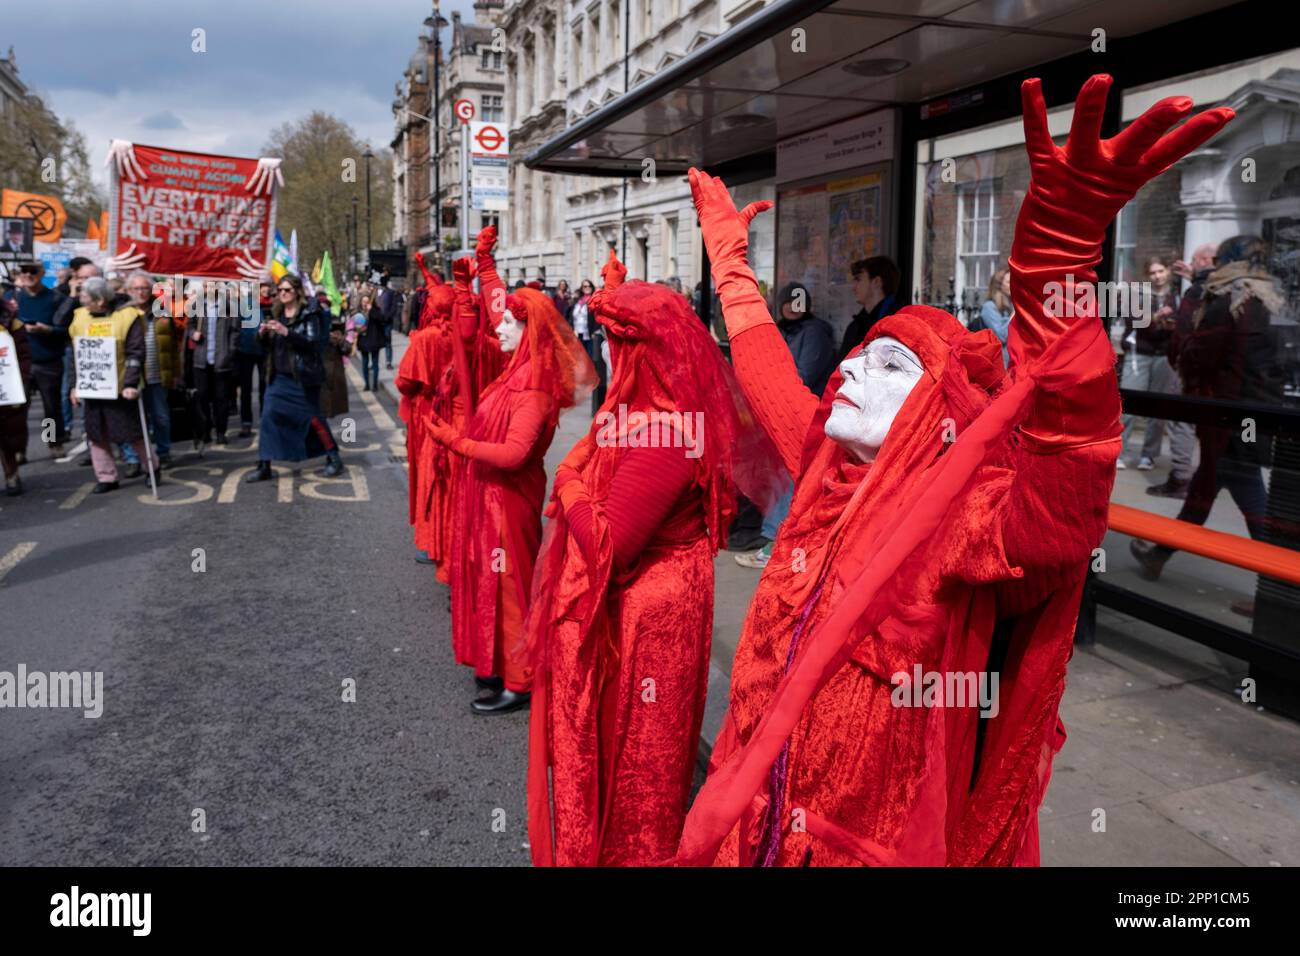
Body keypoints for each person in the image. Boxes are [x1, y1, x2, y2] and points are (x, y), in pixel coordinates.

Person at [672, 76, 1231, 867]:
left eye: (889, 365)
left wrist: (1060, 269)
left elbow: (1067, 479)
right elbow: (767, 372)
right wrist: (730, 262)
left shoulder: (959, 516)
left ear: (936, 409)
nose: (852, 373)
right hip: (754, 819)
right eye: (860, 358)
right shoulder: (829, 464)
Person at [523, 251, 777, 866]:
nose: (609, 353)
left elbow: (609, 543)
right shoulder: (647, 412)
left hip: (650, 612)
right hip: (648, 596)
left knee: (641, 760)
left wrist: (569, 483)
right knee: (634, 747)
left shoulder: (666, 431)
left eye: (615, 341)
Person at [427, 277, 594, 715]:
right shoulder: (514, 375)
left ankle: (520, 680)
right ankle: (500, 665)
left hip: (507, 501)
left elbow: (514, 454)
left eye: (506, 324)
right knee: (492, 583)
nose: (497, 328)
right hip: (489, 498)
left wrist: (454, 442)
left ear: (529, 333)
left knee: (511, 588)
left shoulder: (535, 390)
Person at [1130, 235, 1284, 615]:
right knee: (1205, 489)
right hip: (1253, 414)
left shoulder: (1229, 301)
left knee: (1249, 499)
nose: (1208, 266)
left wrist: (1177, 333)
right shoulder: (1271, 298)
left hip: (1229, 418)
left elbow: (1196, 357)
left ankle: (1278, 592)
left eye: (1216, 258)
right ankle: (1159, 556)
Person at [736, 281, 837, 570]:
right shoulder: (783, 330)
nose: (793, 306)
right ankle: (771, 535)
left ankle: (774, 539)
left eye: (799, 301)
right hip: (781, 409)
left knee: (793, 474)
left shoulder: (814, 331)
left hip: (805, 410)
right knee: (781, 473)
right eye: (788, 301)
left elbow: (803, 372)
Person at [246, 274, 344, 482]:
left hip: (302, 377)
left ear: (297, 291)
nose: (282, 293)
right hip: (279, 377)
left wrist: (286, 333)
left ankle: (334, 458)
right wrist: (262, 334)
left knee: (315, 419)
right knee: (268, 418)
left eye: (287, 290)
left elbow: (312, 343)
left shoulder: (310, 312)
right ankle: (264, 465)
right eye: (279, 290)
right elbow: (267, 345)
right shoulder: (276, 312)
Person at [68, 277, 160, 493]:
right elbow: (75, 355)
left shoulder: (128, 316)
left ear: (100, 301)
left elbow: (136, 353)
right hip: (93, 387)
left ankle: (152, 468)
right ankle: (106, 476)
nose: (81, 300)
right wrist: (74, 385)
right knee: (96, 434)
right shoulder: (79, 317)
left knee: (134, 433)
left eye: (85, 297)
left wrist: (130, 383)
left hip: (121, 387)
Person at [395, 258, 458, 568]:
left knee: (427, 477)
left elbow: (405, 382)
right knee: (449, 480)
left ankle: (430, 540)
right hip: (455, 417)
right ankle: (448, 537)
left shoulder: (425, 339)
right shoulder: (462, 337)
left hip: (426, 415)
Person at [1117, 256, 1186, 471]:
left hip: (1164, 355)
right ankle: (1119, 452)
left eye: (1161, 271)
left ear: (1168, 272)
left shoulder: (1176, 297)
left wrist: (1172, 324)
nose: (1157, 276)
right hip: (1139, 353)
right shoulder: (1138, 294)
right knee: (1127, 406)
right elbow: (1133, 321)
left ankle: (1149, 454)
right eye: (1153, 272)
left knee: (1157, 408)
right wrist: (1156, 317)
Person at [117, 271, 178, 472]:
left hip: (156, 373)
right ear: (128, 290)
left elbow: (173, 346)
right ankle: (133, 459)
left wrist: (175, 372)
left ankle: (163, 452)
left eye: (144, 288)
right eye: (136, 288)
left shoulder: (161, 311)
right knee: (129, 420)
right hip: (130, 376)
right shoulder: (120, 314)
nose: (141, 292)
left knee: (160, 417)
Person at [14, 262, 69, 458]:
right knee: (18, 409)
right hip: (20, 364)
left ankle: (53, 442)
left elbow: (67, 331)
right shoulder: (13, 298)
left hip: (48, 361)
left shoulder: (55, 298)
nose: (28, 274)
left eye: (33, 271)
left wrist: (49, 330)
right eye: (24, 271)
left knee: (51, 407)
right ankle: (19, 449)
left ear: (42, 273)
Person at [186, 280, 239, 450]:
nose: (210, 289)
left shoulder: (230, 307)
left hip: (221, 359)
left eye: (213, 285)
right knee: (202, 398)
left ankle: (221, 432)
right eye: (207, 285)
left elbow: (235, 332)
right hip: (201, 360)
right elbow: (190, 326)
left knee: (221, 399)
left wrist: (229, 353)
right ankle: (206, 430)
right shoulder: (197, 306)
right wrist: (193, 333)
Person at [836, 255, 900, 362]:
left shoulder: (898, 322)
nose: (853, 287)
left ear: (876, 282)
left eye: (858, 279)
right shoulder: (856, 324)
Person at [234, 279, 271, 438]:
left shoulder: (271, 304)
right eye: (262, 287)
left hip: (264, 352)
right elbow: (236, 325)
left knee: (265, 388)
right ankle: (246, 423)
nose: (265, 290)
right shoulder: (245, 303)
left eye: (266, 287)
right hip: (245, 351)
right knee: (246, 390)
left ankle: (265, 420)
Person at [1, 303, 32, 495]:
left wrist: (18, 381)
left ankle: (54, 440)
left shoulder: (11, 322)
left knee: (51, 410)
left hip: (50, 365)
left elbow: (23, 355)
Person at [972, 267, 1013, 368]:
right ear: (999, 286)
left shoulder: (1009, 307)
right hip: (999, 365)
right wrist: (1015, 314)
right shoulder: (989, 307)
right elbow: (1001, 336)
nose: (1013, 285)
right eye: (1009, 282)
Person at [319, 292, 351, 419]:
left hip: (332, 376)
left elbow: (347, 349)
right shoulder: (311, 325)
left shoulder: (336, 327)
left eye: (326, 307)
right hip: (316, 375)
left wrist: (339, 340)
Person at [355, 293, 385, 391]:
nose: (365, 303)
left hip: (374, 340)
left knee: (375, 363)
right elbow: (354, 326)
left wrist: (371, 310)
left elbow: (381, 319)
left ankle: (375, 384)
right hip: (363, 340)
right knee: (365, 363)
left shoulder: (375, 310)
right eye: (363, 301)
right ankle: (367, 383)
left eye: (367, 302)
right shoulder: (359, 312)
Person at [565, 278, 596, 360]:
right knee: (579, 356)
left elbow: (597, 317)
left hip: (589, 333)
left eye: (589, 286)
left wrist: (594, 331)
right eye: (585, 286)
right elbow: (570, 315)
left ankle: (590, 372)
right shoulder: (578, 301)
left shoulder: (594, 300)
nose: (587, 288)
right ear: (582, 288)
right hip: (577, 332)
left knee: (589, 356)